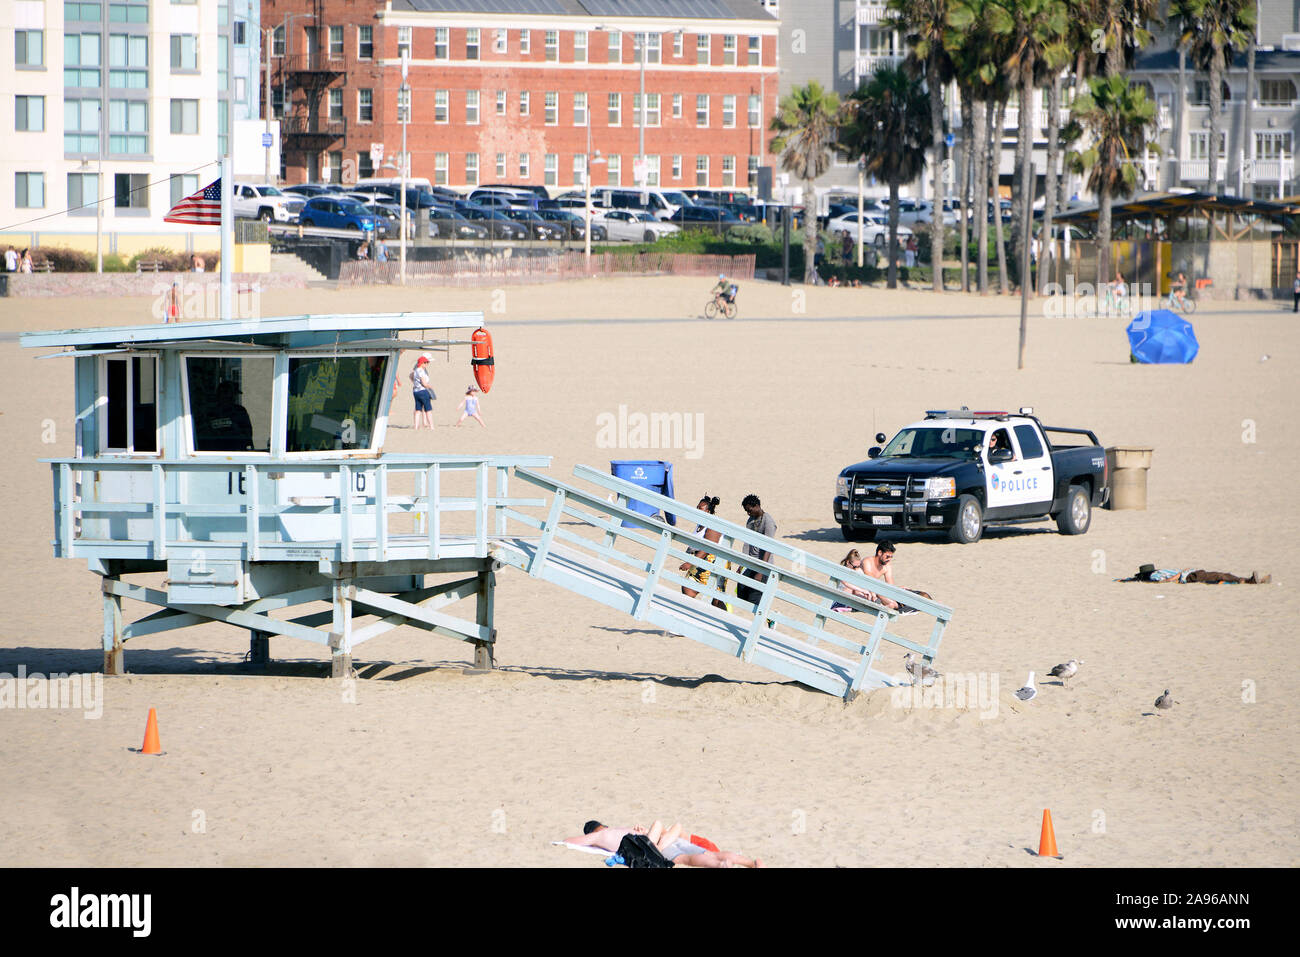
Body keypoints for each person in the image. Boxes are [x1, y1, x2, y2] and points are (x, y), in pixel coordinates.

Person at [566, 821, 762, 868]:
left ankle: (720, 865)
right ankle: (752, 863)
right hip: (669, 840)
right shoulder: (615, 831)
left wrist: (560, 841)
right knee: (707, 852)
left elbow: (577, 842)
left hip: (662, 847)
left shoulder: (604, 836)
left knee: (690, 858)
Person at [679, 495, 725, 609]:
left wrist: (689, 563)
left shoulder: (713, 525)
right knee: (687, 588)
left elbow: (708, 548)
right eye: (697, 507)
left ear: (708, 511)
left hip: (712, 563)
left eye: (701, 508)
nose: (697, 510)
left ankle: (726, 616)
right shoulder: (700, 525)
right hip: (699, 561)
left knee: (714, 599)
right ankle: (690, 616)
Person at [736, 494, 776, 606]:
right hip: (751, 563)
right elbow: (747, 544)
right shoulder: (750, 521)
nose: (748, 513)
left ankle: (769, 619)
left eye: (750, 510)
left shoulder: (768, 521)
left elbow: (769, 546)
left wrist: (760, 571)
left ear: (757, 506)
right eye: (746, 511)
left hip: (764, 564)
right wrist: (742, 564)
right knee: (741, 590)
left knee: (755, 597)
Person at [410, 354, 435, 431]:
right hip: (422, 391)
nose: (427, 364)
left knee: (418, 409)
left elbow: (411, 376)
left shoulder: (416, 370)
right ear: (423, 363)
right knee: (428, 409)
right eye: (426, 362)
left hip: (416, 391)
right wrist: (429, 386)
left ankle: (416, 426)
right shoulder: (421, 371)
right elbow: (424, 383)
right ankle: (431, 426)